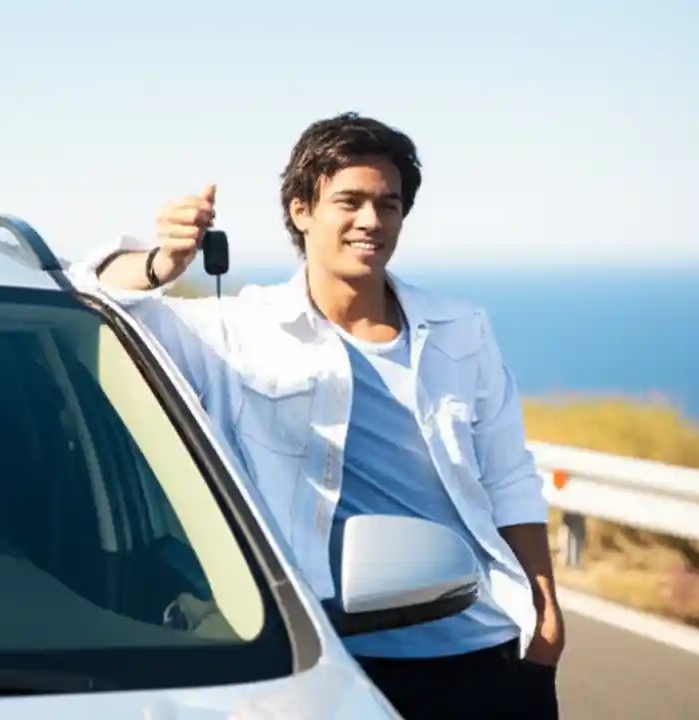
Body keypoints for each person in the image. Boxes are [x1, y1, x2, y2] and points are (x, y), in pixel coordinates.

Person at [67, 112, 563, 718]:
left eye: (389, 205)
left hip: (483, 650)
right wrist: (159, 262)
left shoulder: (461, 329)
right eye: (349, 201)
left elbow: (509, 476)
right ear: (301, 210)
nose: (371, 222)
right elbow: (92, 300)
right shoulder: (236, 332)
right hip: (328, 662)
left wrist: (546, 614)